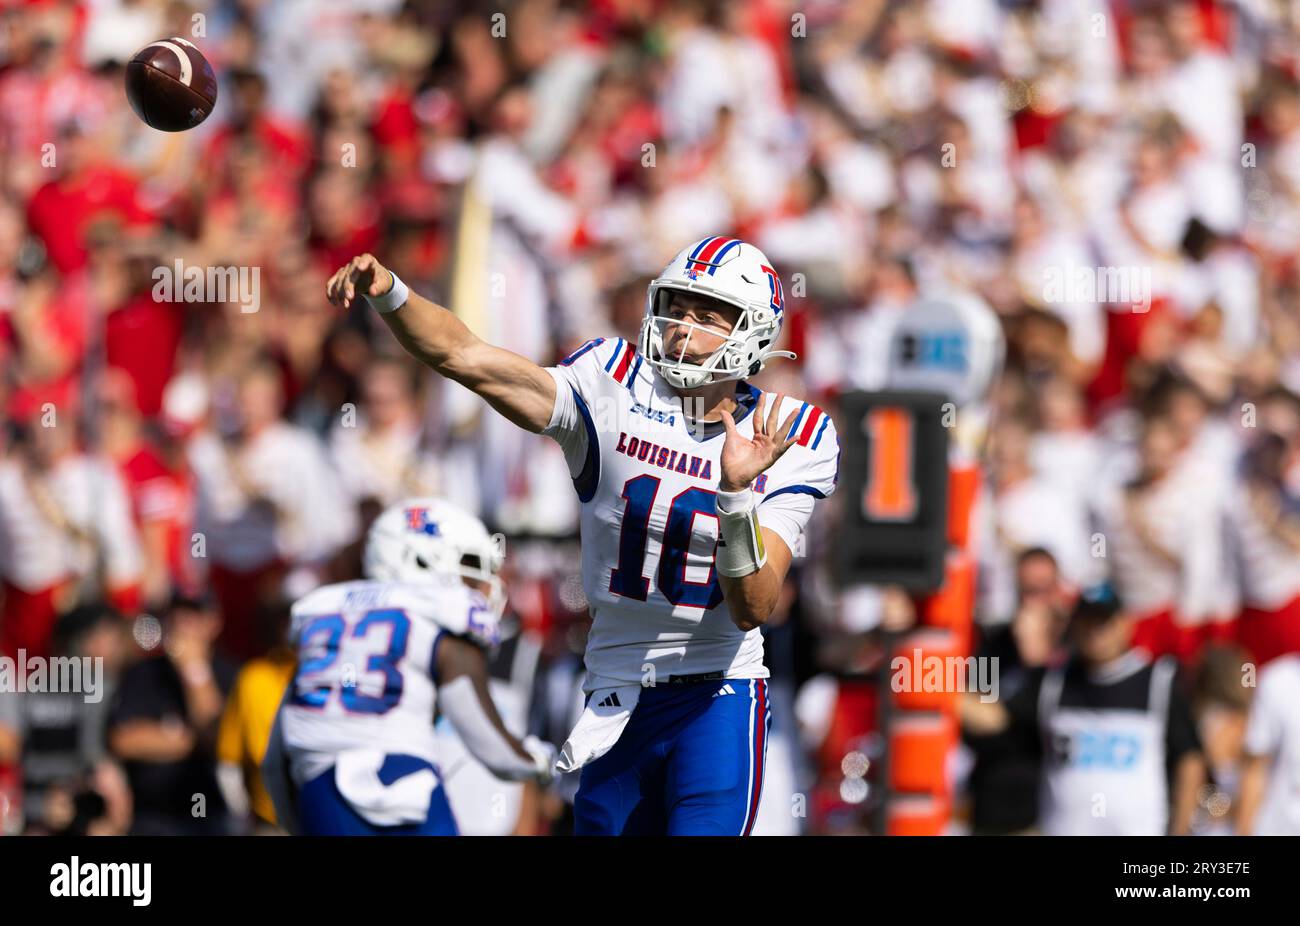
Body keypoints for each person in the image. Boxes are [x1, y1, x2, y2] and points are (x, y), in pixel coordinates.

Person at [326, 236, 840, 835]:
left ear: (752, 333)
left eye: (706, 315)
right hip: (614, 687)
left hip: (718, 696)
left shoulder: (790, 433)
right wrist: (393, 295)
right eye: (675, 307)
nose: (681, 328)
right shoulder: (611, 385)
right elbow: (466, 357)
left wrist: (733, 498)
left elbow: (754, 606)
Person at [262, 497, 554, 836]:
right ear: (418, 560)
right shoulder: (443, 621)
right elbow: (496, 751)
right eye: (469, 569)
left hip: (321, 793)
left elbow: (274, 762)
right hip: (406, 784)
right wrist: (539, 761)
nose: (481, 588)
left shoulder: (327, 616)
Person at [960, 583, 1205, 835]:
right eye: (1087, 622)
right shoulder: (1052, 683)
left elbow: (1190, 758)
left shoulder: (1157, 683)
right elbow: (993, 716)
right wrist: (934, 687)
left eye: (1103, 622)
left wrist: (1180, 829)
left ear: (1124, 624)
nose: (1095, 632)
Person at [106, 593, 238, 835]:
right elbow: (124, 740)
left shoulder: (230, 675)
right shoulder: (143, 673)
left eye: (192, 617)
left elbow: (217, 739)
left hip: (211, 815)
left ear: (213, 623)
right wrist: (193, 741)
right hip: (151, 816)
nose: (181, 624)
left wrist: (193, 670)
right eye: (175, 616)